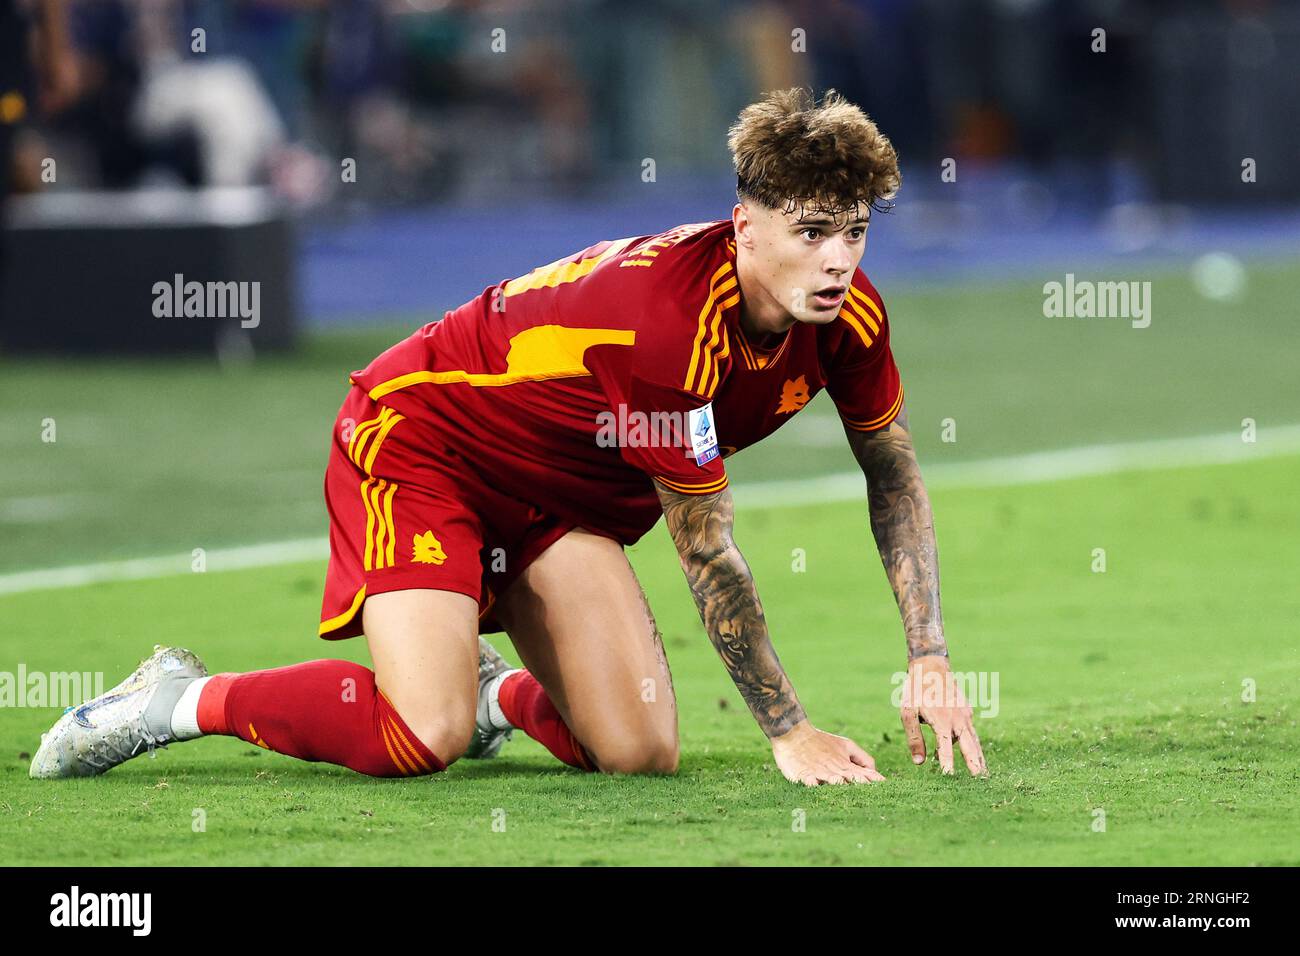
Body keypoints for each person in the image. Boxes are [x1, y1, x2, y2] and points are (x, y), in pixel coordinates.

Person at [32, 88, 986, 787]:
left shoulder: (851, 316)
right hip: (423, 440)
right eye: (812, 231)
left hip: (555, 495)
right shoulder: (664, 331)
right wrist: (789, 729)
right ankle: (181, 699)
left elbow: (892, 473)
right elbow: (709, 554)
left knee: (639, 752)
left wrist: (930, 654)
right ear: (744, 224)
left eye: (855, 233)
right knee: (420, 736)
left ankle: (496, 694)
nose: (837, 260)